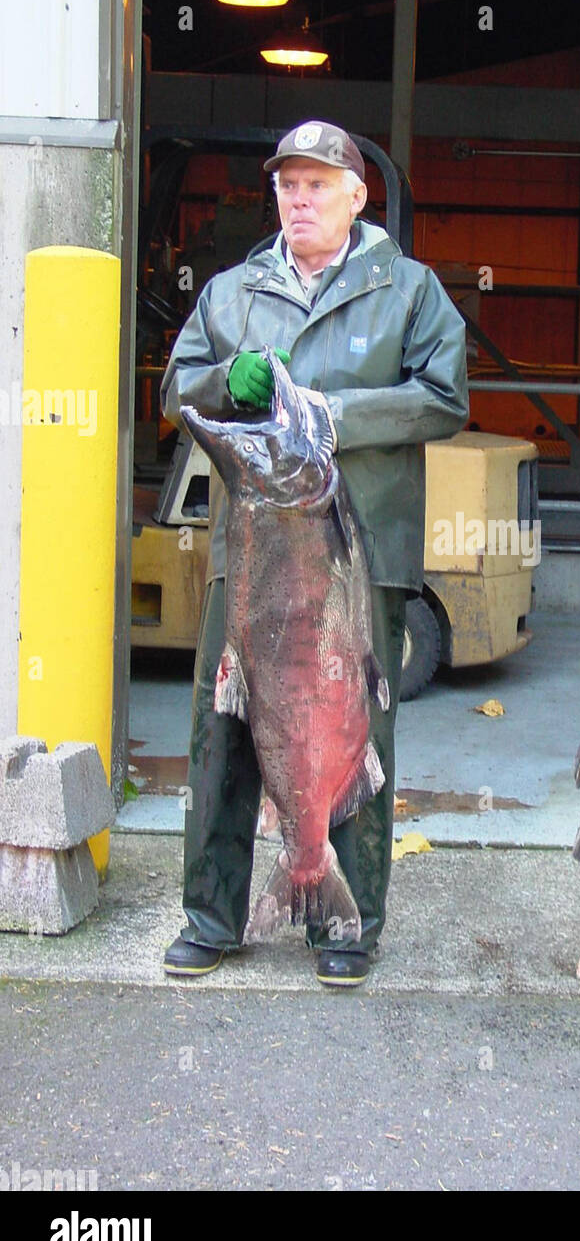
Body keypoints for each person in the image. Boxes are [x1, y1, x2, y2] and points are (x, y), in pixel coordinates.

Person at [160, 120, 469, 987]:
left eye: (317, 184)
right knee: (225, 725)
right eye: (288, 185)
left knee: (350, 725)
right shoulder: (232, 293)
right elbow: (175, 389)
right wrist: (227, 384)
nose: (299, 198)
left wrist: (337, 416)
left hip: (360, 551)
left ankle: (346, 922)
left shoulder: (407, 289)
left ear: (357, 195)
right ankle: (212, 916)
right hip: (252, 545)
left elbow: (445, 397)